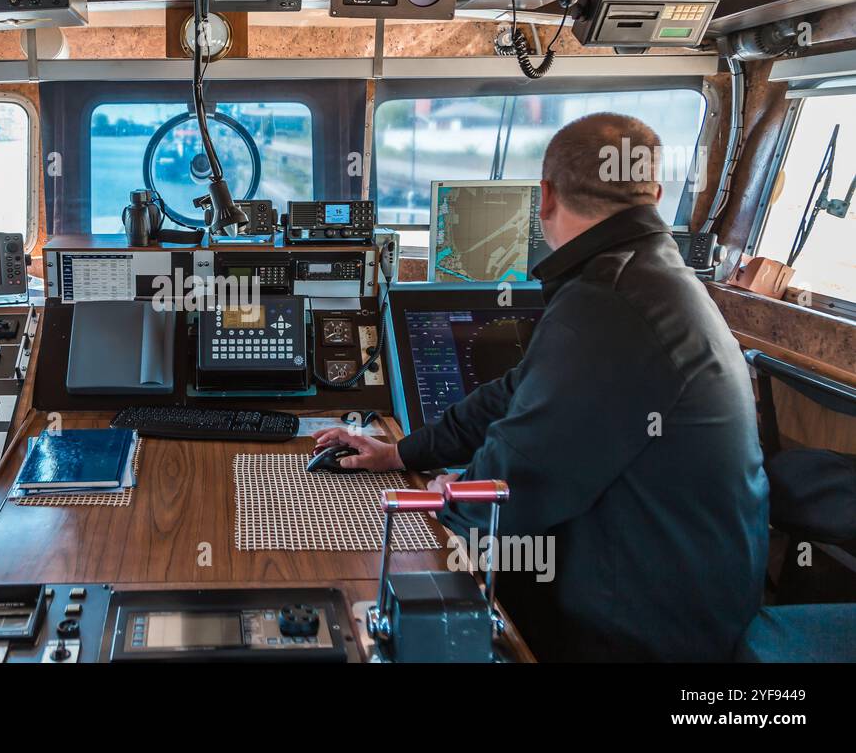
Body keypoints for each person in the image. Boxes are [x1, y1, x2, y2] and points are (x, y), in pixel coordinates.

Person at [314, 113, 769, 661]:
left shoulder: (611, 301)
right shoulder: (644, 275)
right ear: (655, 192)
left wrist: (449, 500)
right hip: (681, 580)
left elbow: (525, 469)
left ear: (545, 197)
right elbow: (516, 392)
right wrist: (403, 453)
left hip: (648, 624)